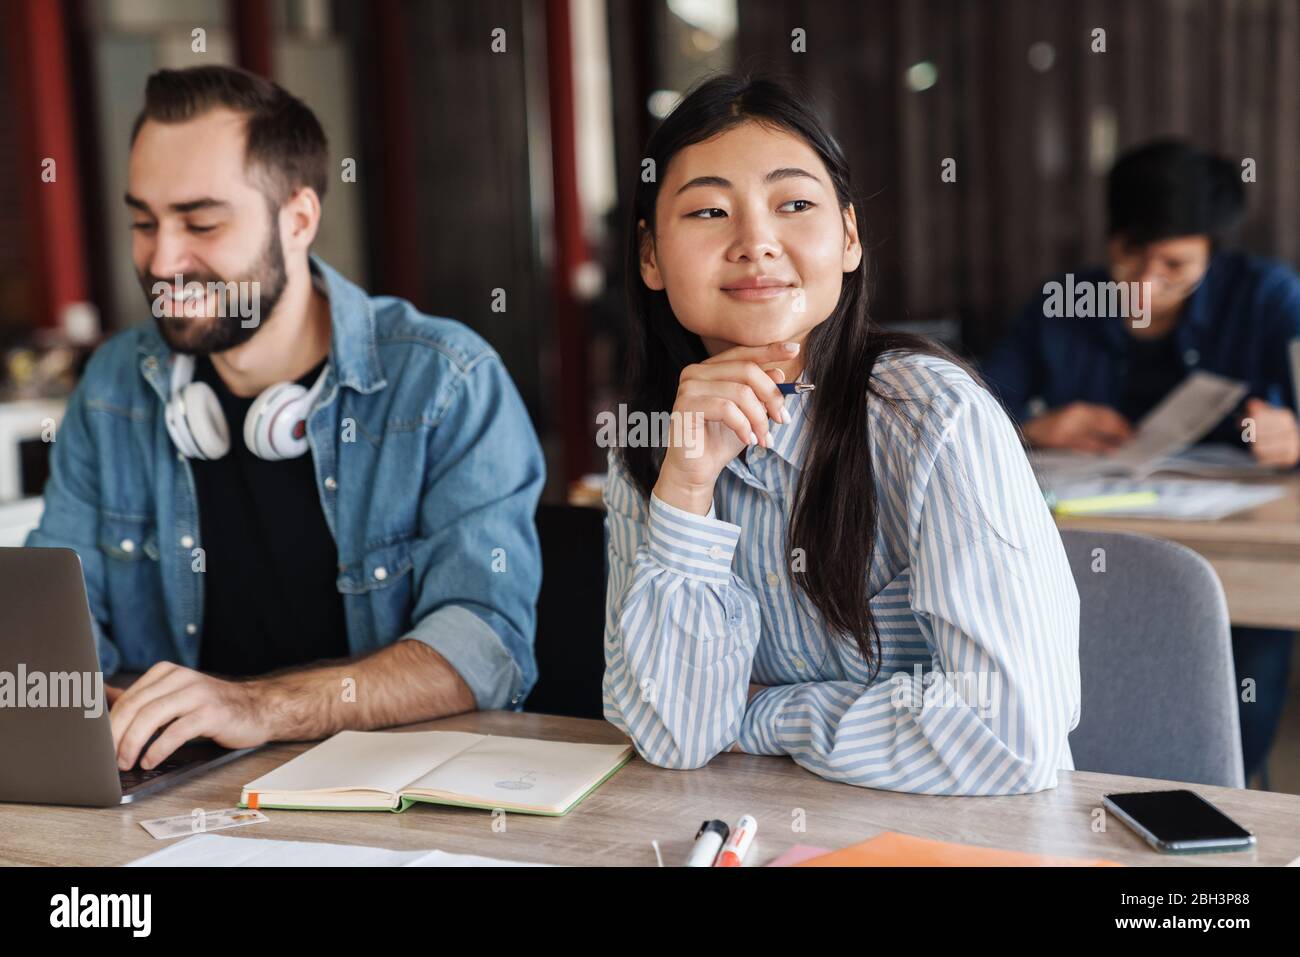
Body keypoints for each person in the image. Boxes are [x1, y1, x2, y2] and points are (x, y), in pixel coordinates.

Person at [26, 66, 544, 772]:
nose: (162, 259)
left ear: (298, 219)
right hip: (180, 804)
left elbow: (486, 647)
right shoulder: (115, 384)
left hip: (397, 799)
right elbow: (55, 624)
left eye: (201, 222)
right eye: (144, 223)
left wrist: (259, 708)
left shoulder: (446, 380)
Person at [601, 74, 1081, 794]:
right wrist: (687, 488)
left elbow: (1008, 732)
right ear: (650, 257)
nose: (756, 243)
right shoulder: (655, 444)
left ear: (849, 236)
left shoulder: (935, 417)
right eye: (708, 211)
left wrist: (759, 713)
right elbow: (670, 735)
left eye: (794, 204)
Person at [982, 140, 1300, 785]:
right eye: (1132, 256)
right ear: (1112, 239)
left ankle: (1227, 793)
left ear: (1212, 250)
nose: (1147, 283)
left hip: (1239, 536)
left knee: (1239, 709)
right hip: (1091, 533)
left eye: (1175, 264)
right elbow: (975, 410)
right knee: (1089, 697)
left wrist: (1294, 434)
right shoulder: (1067, 300)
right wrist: (1035, 426)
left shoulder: (1266, 297)